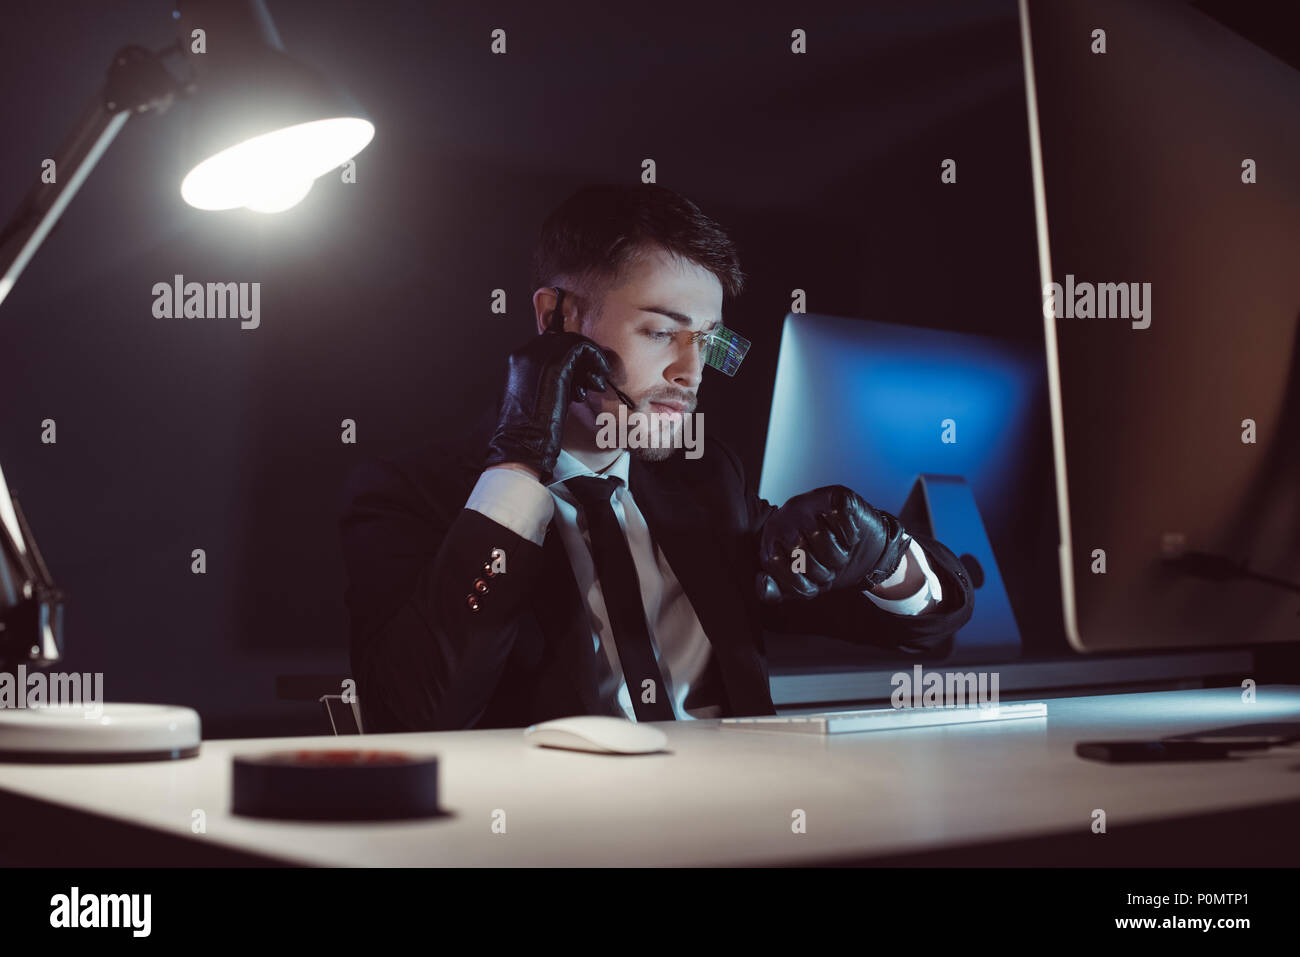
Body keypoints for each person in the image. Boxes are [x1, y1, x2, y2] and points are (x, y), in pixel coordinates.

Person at [339, 183, 974, 732]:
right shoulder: (409, 495)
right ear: (556, 318)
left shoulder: (705, 484)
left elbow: (931, 626)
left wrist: (884, 554)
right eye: (661, 332)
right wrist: (519, 463)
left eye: (706, 341)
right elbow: (413, 716)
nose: (690, 371)